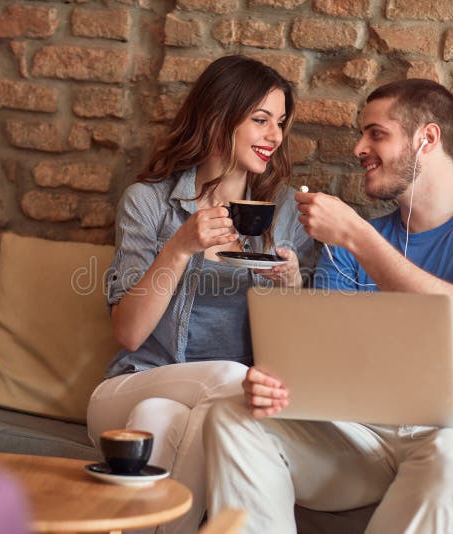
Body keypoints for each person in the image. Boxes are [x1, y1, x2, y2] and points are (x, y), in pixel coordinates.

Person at [204, 79, 453, 533]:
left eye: (376, 133)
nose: (359, 147)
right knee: (231, 415)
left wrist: (356, 235)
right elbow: (320, 362)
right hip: (367, 437)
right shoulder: (345, 248)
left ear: (427, 139)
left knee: (451, 457)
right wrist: (279, 386)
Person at [87, 55, 314, 533]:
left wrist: (292, 288)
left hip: (208, 412)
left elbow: (296, 350)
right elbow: (129, 333)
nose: (274, 135)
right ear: (217, 118)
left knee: (160, 418)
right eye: (259, 119)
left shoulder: (287, 211)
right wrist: (179, 248)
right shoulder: (148, 202)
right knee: (228, 379)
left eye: (280, 122)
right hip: (133, 383)